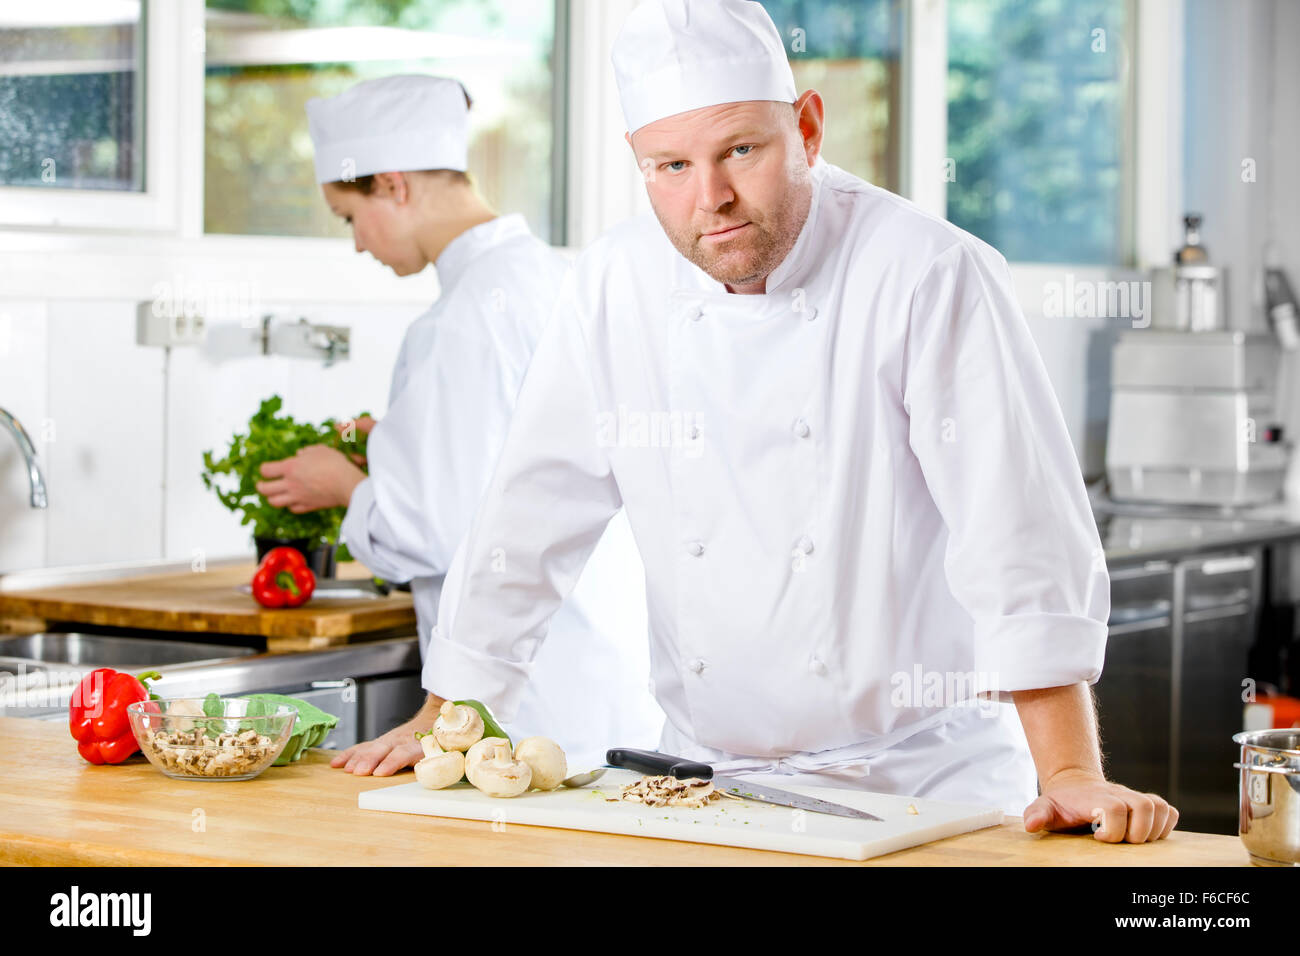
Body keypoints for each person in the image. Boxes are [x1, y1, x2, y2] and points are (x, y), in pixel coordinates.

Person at [370, 2, 1176, 844]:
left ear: (810, 127)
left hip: (925, 783)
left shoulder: (928, 272)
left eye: (741, 151)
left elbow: (1017, 528)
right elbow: (529, 508)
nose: (709, 198)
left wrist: (1070, 771)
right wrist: (450, 707)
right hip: (708, 786)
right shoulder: (615, 284)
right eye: (670, 165)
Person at [254, 74, 663, 772]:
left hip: (528, 706)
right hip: (609, 671)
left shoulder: (461, 320)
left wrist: (346, 488)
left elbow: (435, 530)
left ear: (391, 185)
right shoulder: (548, 277)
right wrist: (398, 441)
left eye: (348, 217)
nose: (357, 245)